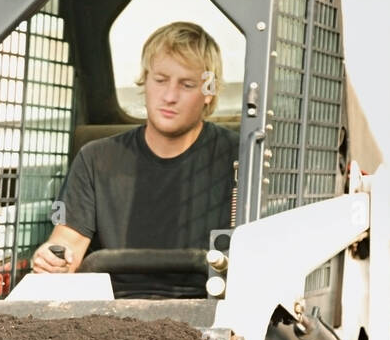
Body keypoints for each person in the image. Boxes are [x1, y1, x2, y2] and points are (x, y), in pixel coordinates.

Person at [31, 21, 238, 298]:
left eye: (187, 85)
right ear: (145, 79)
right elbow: (66, 242)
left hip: (209, 312)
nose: (169, 96)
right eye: (160, 80)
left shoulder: (239, 157)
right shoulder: (95, 158)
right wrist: (52, 259)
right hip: (110, 315)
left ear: (208, 92)